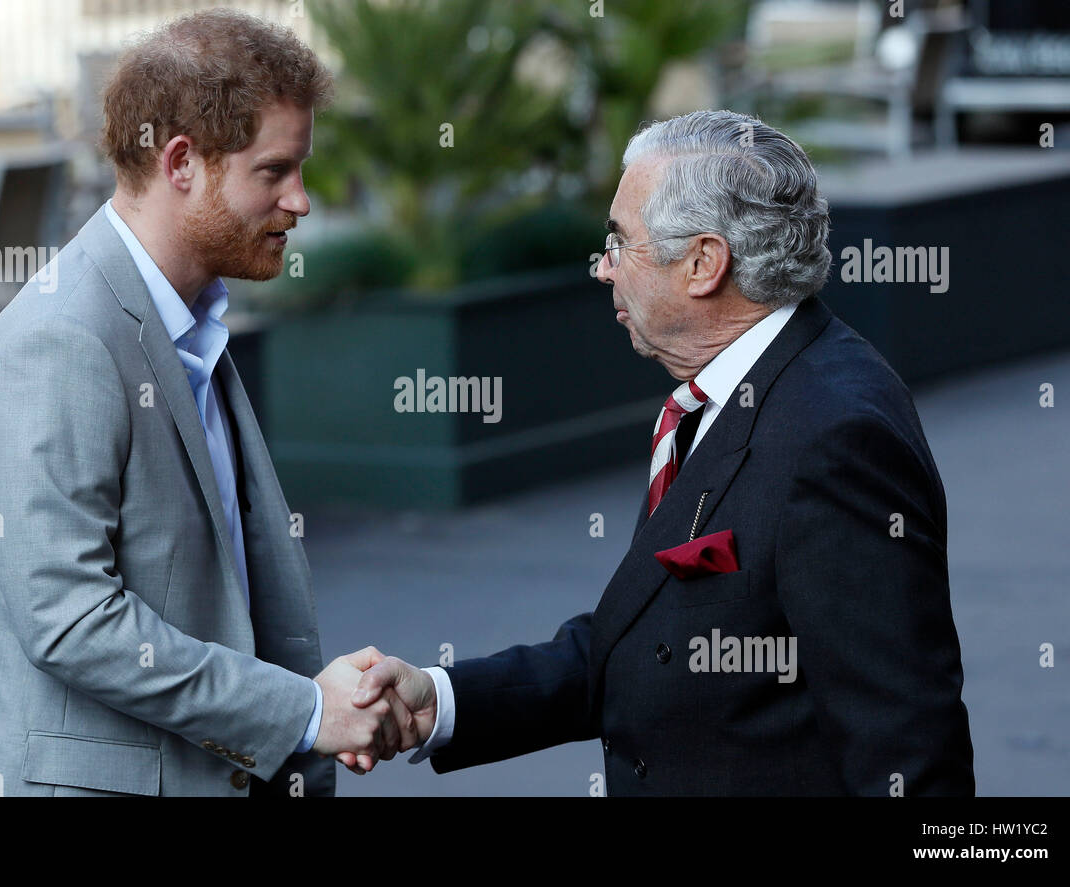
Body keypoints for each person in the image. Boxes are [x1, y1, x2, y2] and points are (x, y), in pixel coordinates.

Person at [344, 110, 976, 796]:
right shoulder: (719, 394)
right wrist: (443, 699)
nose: (603, 268)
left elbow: (907, 750)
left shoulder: (834, 434)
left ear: (704, 263)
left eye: (620, 243)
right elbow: (643, 637)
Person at [0, 9, 409, 797]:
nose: (302, 201)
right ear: (181, 161)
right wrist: (300, 711)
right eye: (274, 171)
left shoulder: (187, 318)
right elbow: (71, 618)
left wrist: (314, 707)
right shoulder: (60, 340)